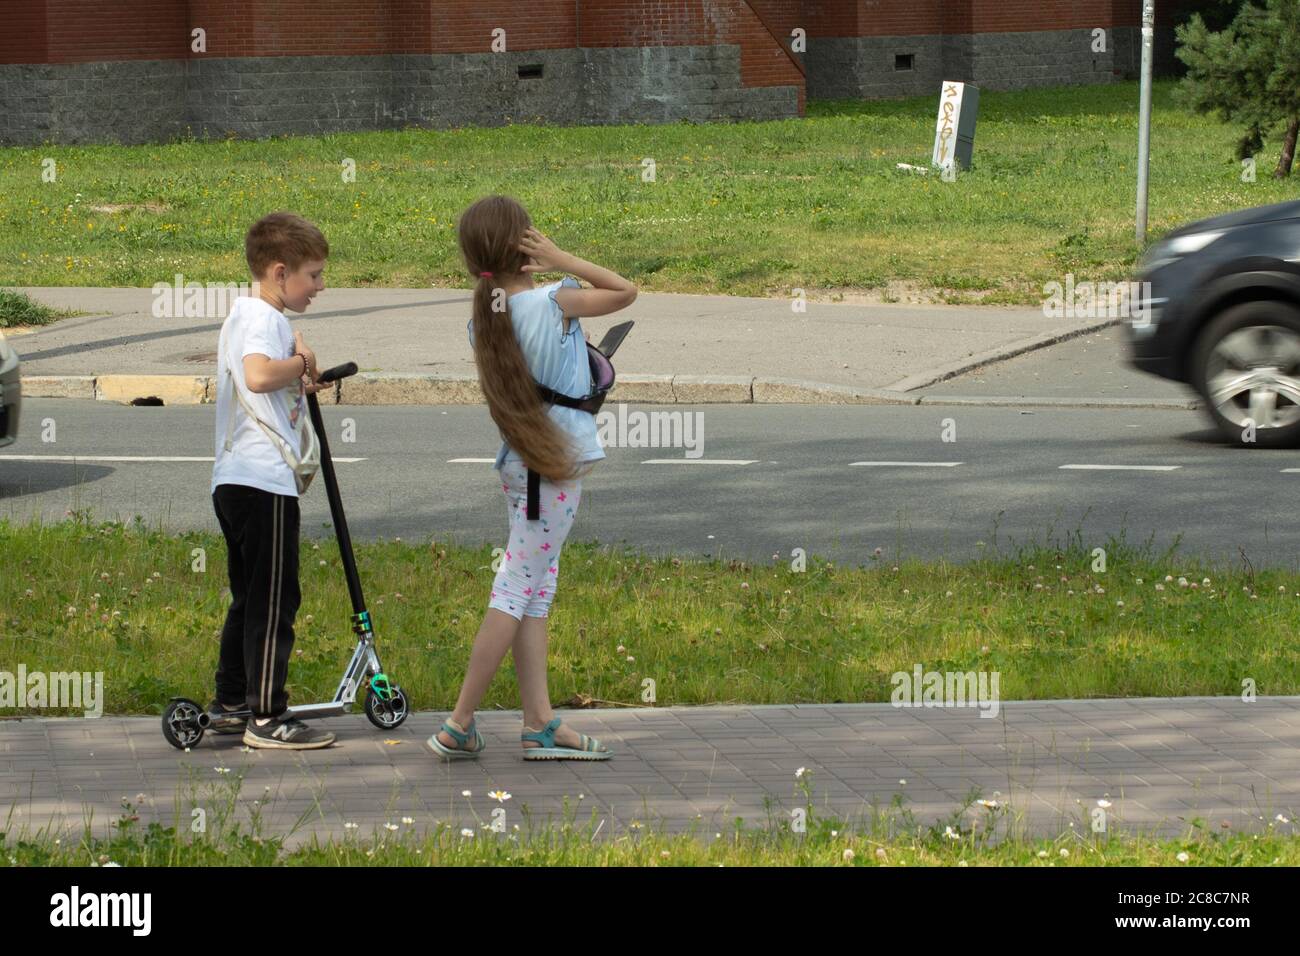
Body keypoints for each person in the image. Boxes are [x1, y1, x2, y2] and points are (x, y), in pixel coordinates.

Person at [427, 194, 636, 761]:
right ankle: (459, 722)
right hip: (552, 468)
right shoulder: (553, 300)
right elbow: (625, 291)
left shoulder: (484, 320)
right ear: (525, 248)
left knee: (535, 591)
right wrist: (561, 256)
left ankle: (539, 722)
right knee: (517, 589)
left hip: (523, 464)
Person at [209, 211, 335, 750]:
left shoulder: (248, 316)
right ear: (280, 273)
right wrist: (302, 360)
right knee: (274, 598)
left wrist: (301, 376)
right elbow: (260, 374)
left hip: (237, 481)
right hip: (263, 482)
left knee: (249, 596)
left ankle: (231, 702)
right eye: (313, 274)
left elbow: (261, 385)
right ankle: (267, 715)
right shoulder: (263, 318)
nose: (320, 286)